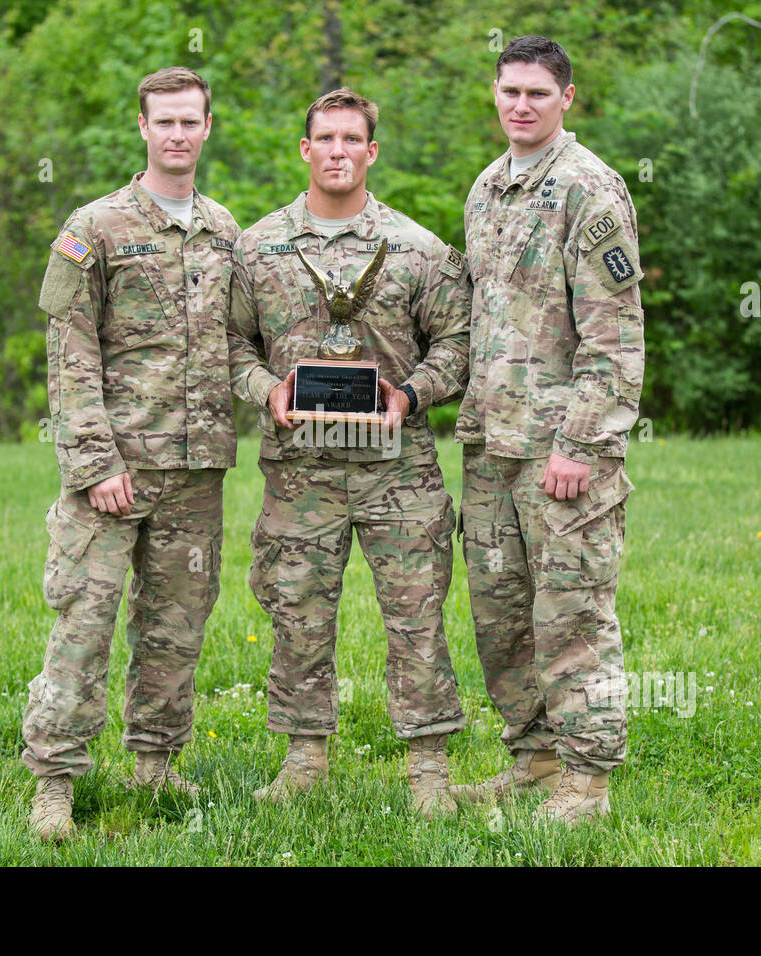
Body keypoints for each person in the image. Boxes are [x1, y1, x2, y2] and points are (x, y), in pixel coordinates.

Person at [227, 88, 471, 818]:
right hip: (301, 474)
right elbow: (230, 344)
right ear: (305, 150)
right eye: (324, 139)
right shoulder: (258, 246)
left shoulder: (420, 250)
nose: (337, 151)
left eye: (351, 139)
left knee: (417, 618)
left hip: (399, 472)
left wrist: (412, 394)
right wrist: (266, 388)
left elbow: (457, 345)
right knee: (297, 612)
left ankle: (428, 767)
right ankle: (304, 758)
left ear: (372, 151)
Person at [22, 67, 240, 842]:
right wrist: (94, 463)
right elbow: (70, 354)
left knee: (177, 628)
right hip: (112, 471)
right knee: (84, 622)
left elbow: (241, 343)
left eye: (191, 121)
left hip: (196, 470)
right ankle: (54, 778)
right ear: (142, 128)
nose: (178, 134)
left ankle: (155, 763)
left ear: (207, 128)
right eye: (165, 122)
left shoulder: (224, 230)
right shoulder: (97, 227)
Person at [451, 35, 645, 824]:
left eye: (537, 92)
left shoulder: (589, 191)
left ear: (566, 98)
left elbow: (616, 336)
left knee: (572, 616)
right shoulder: (487, 189)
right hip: (493, 447)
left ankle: (588, 782)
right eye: (509, 91)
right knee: (501, 618)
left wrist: (580, 443)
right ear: (494, 96)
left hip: (562, 453)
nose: (520, 105)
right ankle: (532, 761)